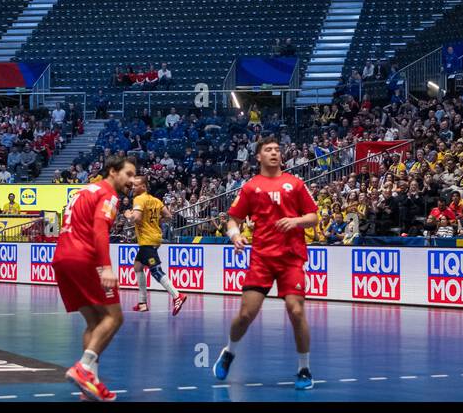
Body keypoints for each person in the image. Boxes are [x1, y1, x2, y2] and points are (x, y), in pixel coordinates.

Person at [213, 138, 320, 390]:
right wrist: (235, 235)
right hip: (261, 259)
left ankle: (304, 369)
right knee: (245, 314)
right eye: (268, 150)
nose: (274, 153)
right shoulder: (251, 187)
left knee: (296, 310)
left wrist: (295, 222)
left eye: (277, 150)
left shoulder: (295, 184)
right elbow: (233, 219)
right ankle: (229, 352)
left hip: (291, 258)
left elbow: (314, 217)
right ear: (258, 157)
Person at [55, 154, 137, 401]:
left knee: (94, 322)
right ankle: (84, 367)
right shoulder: (108, 195)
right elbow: (100, 230)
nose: (132, 181)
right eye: (129, 174)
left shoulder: (83, 191)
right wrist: (106, 268)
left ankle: (90, 384)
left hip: (62, 257)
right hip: (84, 258)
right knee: (114, 317)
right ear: (113, 171)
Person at [126, 174, 187, 315]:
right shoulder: (155, 200)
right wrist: (154, 222)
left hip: (147, 240)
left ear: (143, 186)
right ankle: (142, 303)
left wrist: (128, 215)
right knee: (138, 266)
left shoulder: (139, 199)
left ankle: (177, 295)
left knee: (155, 270)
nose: (133, 187)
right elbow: (169, 216)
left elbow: (136, 218)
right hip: (155, 238)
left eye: (136, 185)